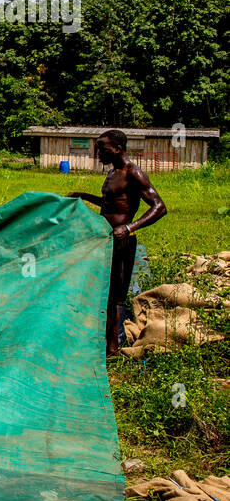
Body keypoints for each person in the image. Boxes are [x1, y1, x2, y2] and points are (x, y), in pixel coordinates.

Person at [67, 129, 166, 355]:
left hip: (121, 243)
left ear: (118, 148)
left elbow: (159, 207)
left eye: (103, 148)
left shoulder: (133, 172)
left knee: (114, 296)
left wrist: (129, 227)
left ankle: (112, 347)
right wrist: (84, 196)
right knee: (103, 292)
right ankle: (106, 343)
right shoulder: (112, 173)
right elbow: (110, 202)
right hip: (105, 240)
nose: (98, 152)